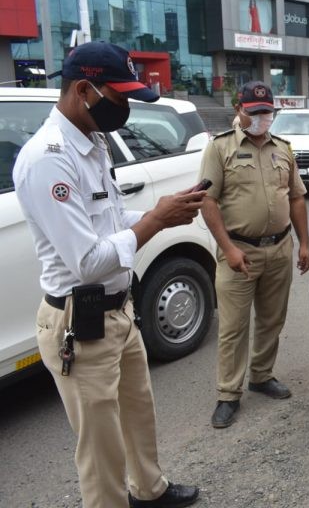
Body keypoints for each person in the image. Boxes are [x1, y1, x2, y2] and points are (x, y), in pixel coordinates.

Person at [13, 42, 202, 508]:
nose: (125, 108)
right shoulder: (49, 159)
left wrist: (162, 212)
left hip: (118, 312)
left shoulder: (92, 142)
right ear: (84, 89)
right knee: (100, 447)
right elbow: (89, 261)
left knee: (139, 412)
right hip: (80, 322)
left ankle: (150, 490)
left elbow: (108, 220)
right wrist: (154, 222)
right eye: (118, 98)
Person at [199, 81, 309, 429]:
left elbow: (296, 197)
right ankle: (228, 394)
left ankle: (262, 376)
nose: (262, 118)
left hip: (279, 248)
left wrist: (303, 243)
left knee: (272, 319)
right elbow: (207, 200)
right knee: (233, 327)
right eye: (255, 112)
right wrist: (229, 249)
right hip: (239, 252)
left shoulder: (284, 149)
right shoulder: (220, 149)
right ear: (239, 110)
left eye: (267, 112)